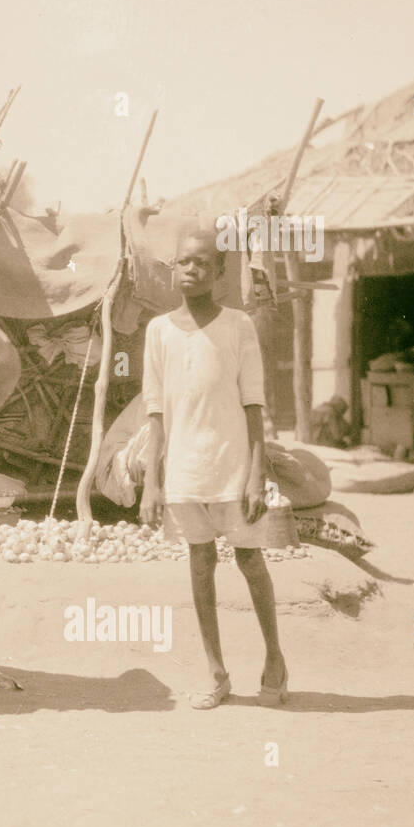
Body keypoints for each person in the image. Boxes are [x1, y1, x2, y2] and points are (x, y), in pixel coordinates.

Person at [140, 229, 289, 710]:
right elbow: (156, 411)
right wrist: (152, 481)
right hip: (185, 473)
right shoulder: (158, 331)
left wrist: (255, 474)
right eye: (184, 261)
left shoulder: (238, 325)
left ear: (218, 273)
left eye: (202, 263)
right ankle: (216, 671)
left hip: (232, 467)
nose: (192, 270)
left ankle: (275, 661)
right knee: (200, 565)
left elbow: (254, 405)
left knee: (250, 561)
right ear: (173, 268)